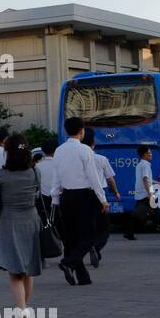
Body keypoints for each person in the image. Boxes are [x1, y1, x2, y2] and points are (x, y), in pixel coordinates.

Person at [0, 133, 42, 318]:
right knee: (28, 270)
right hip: (31, 221)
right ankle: (24, 310)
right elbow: (37, 196)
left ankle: (22, 312)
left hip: (10, 222)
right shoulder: (34, 173)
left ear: (7, 153)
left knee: (15, 273)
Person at [56, 117, 109, 286]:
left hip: (65, 196)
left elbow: (56, 178)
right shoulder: (85, 150)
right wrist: (103, 199)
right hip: (84, 196)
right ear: (82, 130)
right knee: (90, 235)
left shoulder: (59, 150)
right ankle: (68, 263)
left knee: (71, 237)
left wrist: (55, 199)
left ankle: (82, 276)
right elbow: (94, 178)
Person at [85, 128, 118, 268]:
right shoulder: (101, 159)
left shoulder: (76, 158)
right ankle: (96, 246)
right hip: (99, 194)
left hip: (80, 194)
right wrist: (116, 192)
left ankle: (88, 246)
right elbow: (110, 179)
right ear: (93, 144)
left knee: (87, 224)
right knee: (104, 225)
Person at [124, 146, 154, 240]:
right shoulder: (145, 165)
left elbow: (147, 179)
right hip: (145, 194)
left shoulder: (140, 164)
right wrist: (149, 194)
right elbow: (145, 179)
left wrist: (158, 182)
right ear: (144, 155)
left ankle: (129, 233)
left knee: (137, 214)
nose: (151, 155)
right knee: (153, 213)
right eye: (149, 153)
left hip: (141, 193)